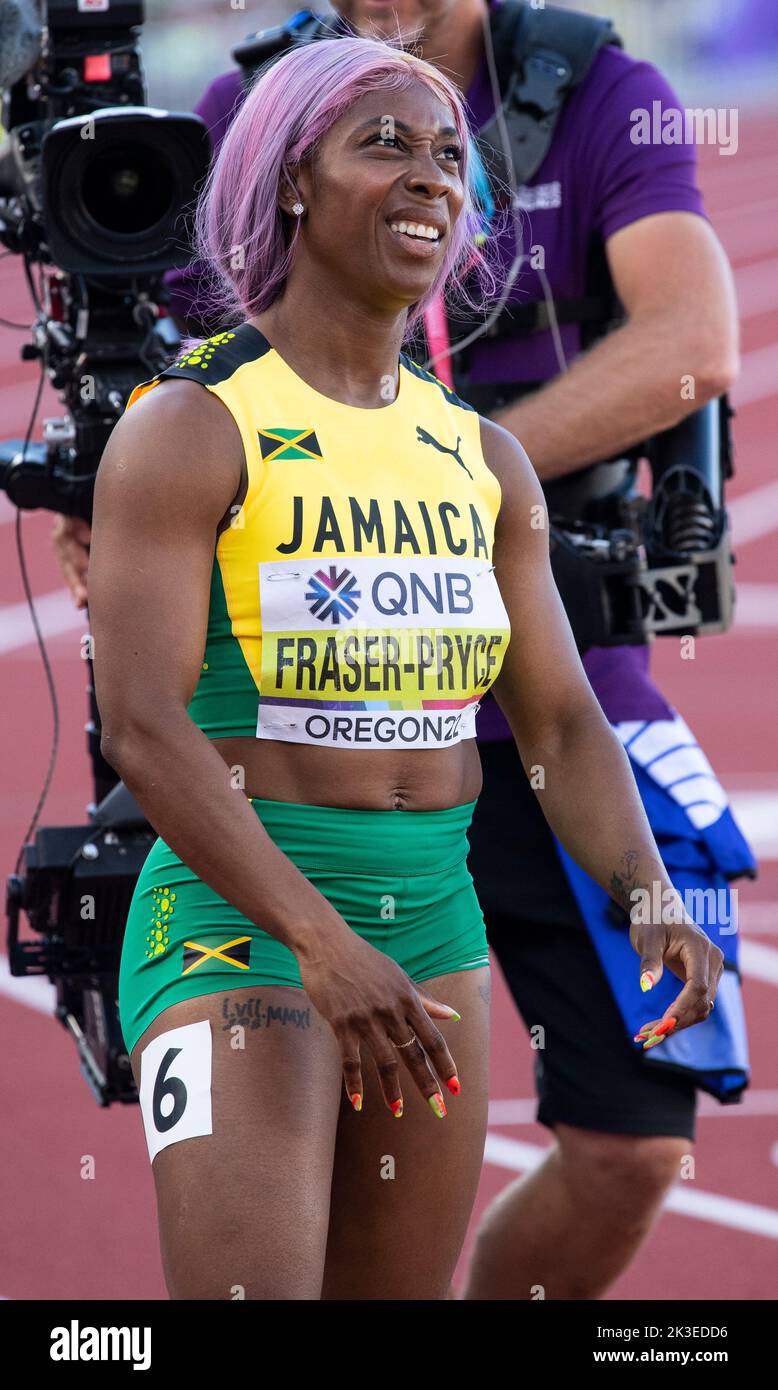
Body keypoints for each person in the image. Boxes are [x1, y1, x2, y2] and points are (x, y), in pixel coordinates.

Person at [59, 0, 754, 1299]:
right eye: (386, 144)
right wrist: (320, 944)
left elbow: (554, 728)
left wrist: (648, 891)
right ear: (286, 190)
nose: (432, 175)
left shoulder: (483, 460)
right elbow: (145, 728)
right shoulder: (191, 426)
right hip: (242, 934)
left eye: (449, 156)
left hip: (428, 938)